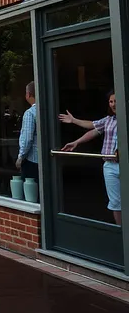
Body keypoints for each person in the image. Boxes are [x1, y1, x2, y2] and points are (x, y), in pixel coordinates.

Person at [59, 90, 121, 226]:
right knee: (116, 202)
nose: (113, 104)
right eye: (111, 101)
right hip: (110, 166)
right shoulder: (108, 120)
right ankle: (121, 231)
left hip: (124, 165)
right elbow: (92, 128)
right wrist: (76, 139)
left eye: (116, 101)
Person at [16, 81, 39, 180]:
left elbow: (27, 139)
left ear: (28, 94)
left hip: (32, 160)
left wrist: (20, 157)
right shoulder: (48, 111)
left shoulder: (30, 113)